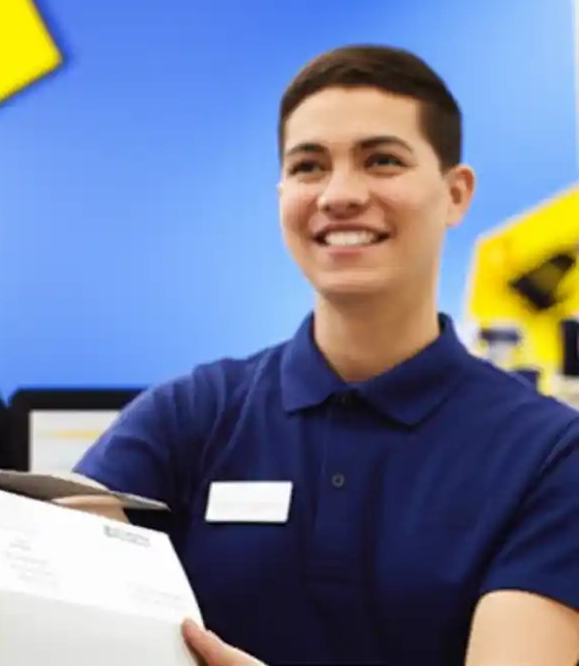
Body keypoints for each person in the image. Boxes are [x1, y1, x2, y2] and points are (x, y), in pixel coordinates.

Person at [68, 45, 579, 665]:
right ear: (282, 191)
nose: (339, 194)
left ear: (455, 193)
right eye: (309, 166)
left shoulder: (551, 456)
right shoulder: (193, 415)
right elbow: (48, 573)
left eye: (382, 161)